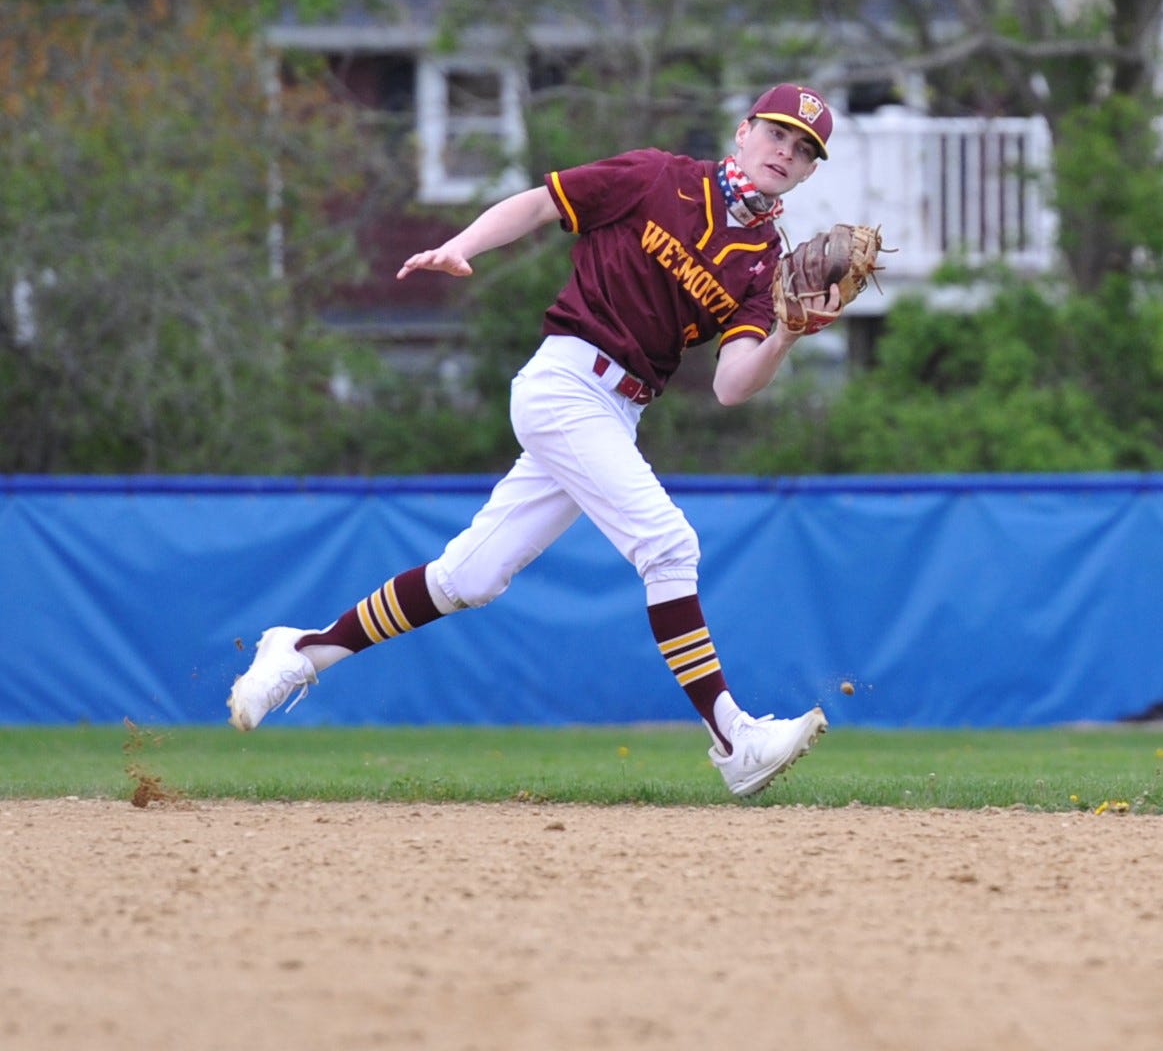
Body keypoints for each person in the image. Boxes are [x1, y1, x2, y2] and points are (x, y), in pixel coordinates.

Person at [228, 83, 843, 797]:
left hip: (617, 411)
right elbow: (542, 202)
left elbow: (733, 384)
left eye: (802, 151)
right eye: (776, 134)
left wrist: (787, 335)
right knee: (669, 546)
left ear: (807, 172)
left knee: (469, 578)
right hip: (565, 382)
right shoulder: (659, 177)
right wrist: (461, 245)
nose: (784, 152)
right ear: (743, 131)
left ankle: (301, 652)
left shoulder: (763, 262)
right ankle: (733, 738)